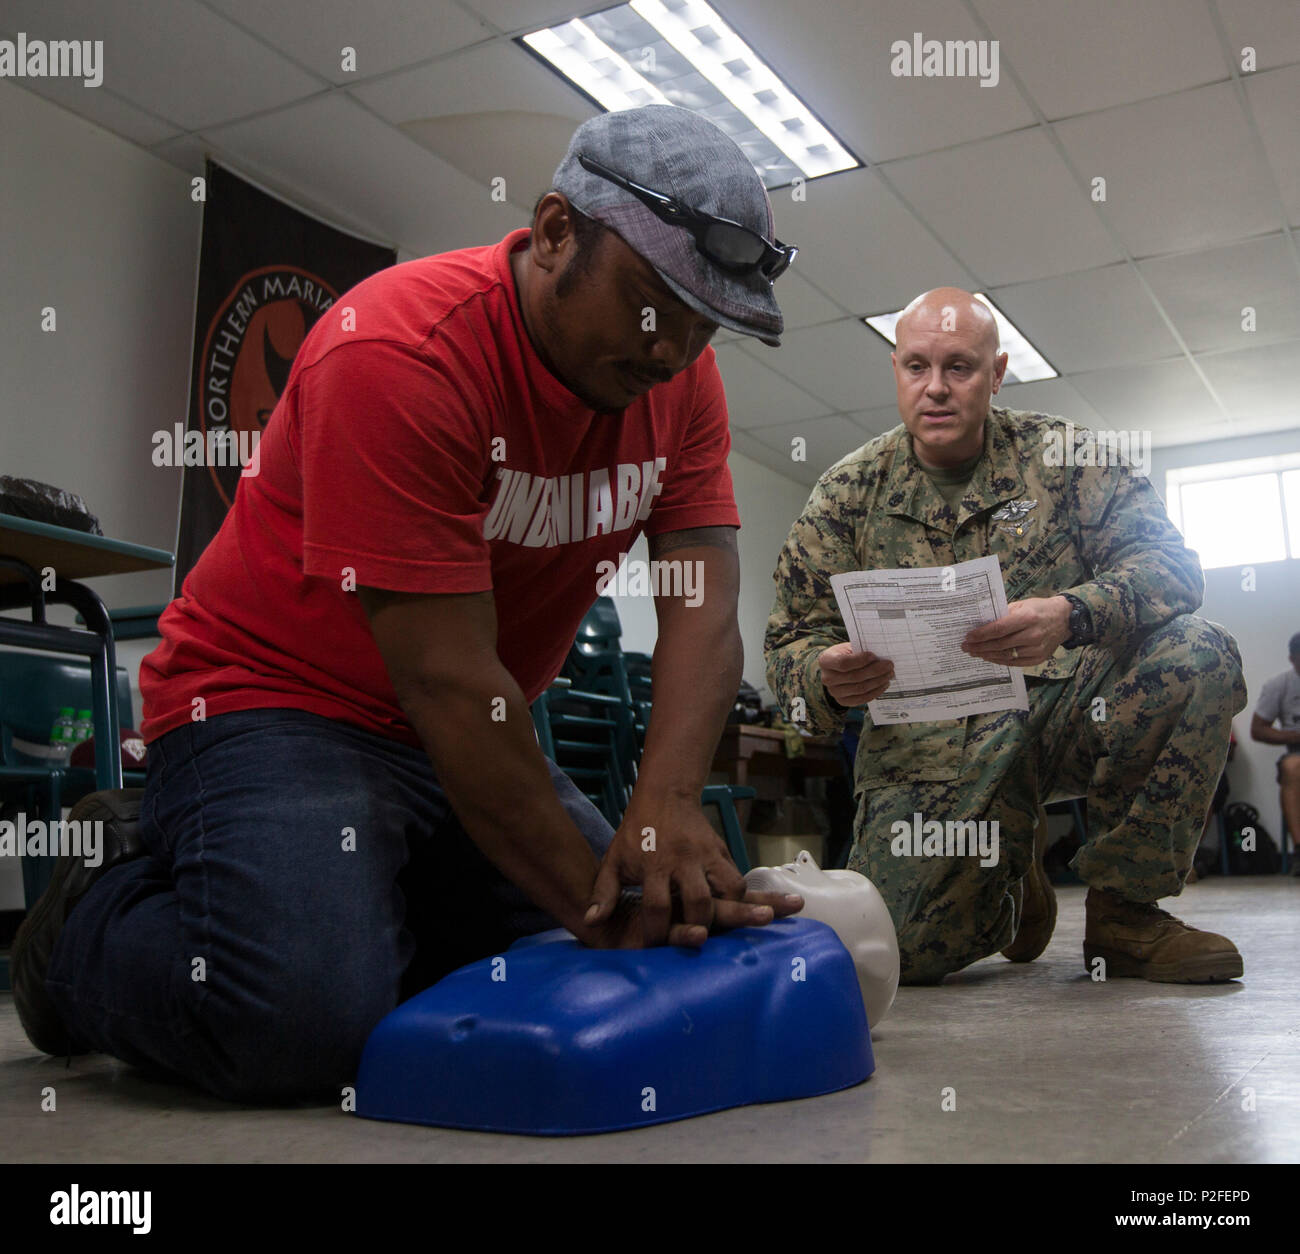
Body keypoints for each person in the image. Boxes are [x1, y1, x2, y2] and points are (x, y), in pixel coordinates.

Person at [13, 105, 805, 1101]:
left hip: (467, 730)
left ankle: (346, 905)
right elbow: (446, 679)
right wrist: (602, 910)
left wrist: (669, 803)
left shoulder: (682, 383)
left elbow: (699, 594)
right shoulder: (397, 350)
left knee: (600, 964)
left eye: (704, 323)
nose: (673, 349)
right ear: (557, 230)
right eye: (653, 302)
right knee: (304, 1024)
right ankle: (91, 918)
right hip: (271, 702)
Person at [765, 287, 1248, 986]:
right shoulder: (847, 495)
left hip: (1064, 710)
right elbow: (788, 645)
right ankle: (1012, 884)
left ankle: (1126, 917)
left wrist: (1070, 613)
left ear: (996, 374)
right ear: (895, 370)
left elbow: (1174, 569)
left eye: (960, 367)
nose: (935, 388)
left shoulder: (1066, 457)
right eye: (915, 366)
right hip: (929, 743)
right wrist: (823, 675)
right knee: (899, 953)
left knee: (1198, 654)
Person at [1249, 631, 1300, 861]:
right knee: (1291, 768)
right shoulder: (1279, 684)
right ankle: (1299, 851)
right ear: (1292, 659)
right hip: (1297, 752)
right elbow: (1258, 730)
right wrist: (1294, 736)